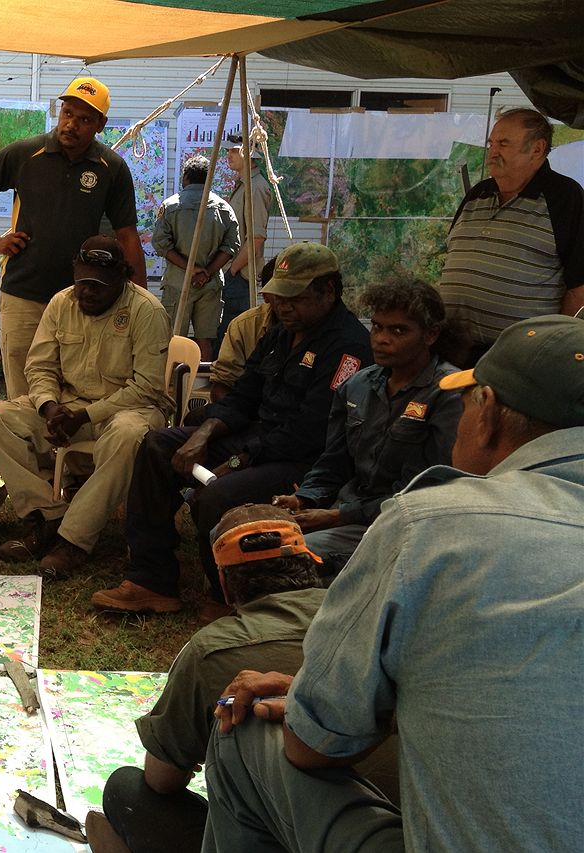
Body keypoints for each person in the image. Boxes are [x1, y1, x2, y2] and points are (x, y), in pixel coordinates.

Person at [203, 314, 584, 853]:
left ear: (488, 412)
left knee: (244, 728)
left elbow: (312, 747)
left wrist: (351, 711)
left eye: (467, 401)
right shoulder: (361, 385)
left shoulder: (430, 524)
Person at [93, 242, 370, 620]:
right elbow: (243, 395)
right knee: (158, 445)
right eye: (278, 298)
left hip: (303, 463)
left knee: (216, 494)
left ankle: (226, 593)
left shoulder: (348, 346)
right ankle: (151, 579)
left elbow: (309, 433)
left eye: (295, 299)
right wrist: (204, 433)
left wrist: (238, 461)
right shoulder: (281, 333)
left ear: (329, 292)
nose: (283, 307)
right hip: (258, 440)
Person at [90, 505, 326, 853]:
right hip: (380, 830)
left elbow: (161, 780)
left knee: (126, 789)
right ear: (311, 563)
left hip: (283, 834)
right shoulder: (373, 626)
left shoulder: (213, 651)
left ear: (225, 586)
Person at [0, 236, 172, 577]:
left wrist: (85, 415)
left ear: (122, 278)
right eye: (82, 282)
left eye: (99, 285)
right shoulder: (61, 303)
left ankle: (74, 541)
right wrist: (49, 408)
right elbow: (40, 367)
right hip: (70, 406)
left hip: (130, 408)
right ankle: (46, 519)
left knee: (128, 436)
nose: (87, 292)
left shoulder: (147, 311)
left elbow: (146, 387)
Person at [0, 76, 145, 399]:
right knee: (22, 395)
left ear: (101, 124)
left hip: (80, 300)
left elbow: (127, 236)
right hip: (23, 295)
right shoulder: (27, 153)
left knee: (73, 391)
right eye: (67, 113)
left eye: (84, 119)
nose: (71, 124)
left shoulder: (111, 168)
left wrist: (139, 301)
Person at [272, 280, 463, 573]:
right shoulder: (357, 385)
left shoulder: (449, 392)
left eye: (398, 331)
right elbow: (333, 462)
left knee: (279, 556)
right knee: (243, 537)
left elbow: (429, 490)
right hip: (345, 514)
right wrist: (303, 498)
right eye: (377, 327)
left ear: (430, 334)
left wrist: (338, 516)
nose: (381, 339)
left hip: (403, 524)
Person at [438, 107, 584, 365]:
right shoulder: (477, 194)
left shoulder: (565, 198)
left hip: (520, 361)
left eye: (503, 143)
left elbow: (579, 289)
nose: (493, 152)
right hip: (453, 352)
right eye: (491, 143)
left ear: (537, 149)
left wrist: (555, 353)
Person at [155, 155, 240, 361]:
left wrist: (190, 268)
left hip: (178, 284)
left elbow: (161, 244)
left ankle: (174, 379)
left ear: (185, 177)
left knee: (174, 339)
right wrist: (206, 272)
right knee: (205, 340)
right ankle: (202, 379)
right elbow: (232, 246)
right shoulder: (224, 208)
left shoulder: (170, 206)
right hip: (210, 284)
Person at [214, 133, 272, 355]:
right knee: (225, 336)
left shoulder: (256, 187)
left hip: (240, 276)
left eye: (233, 150)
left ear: (249, 154)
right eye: (228, 150)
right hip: (233, 273)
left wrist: (233, 271)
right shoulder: (244, 184)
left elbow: (256, 238)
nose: (228, 155)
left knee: (232, 341)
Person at [207, 258, 277, 404]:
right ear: (266, 296)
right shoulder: (245, 326)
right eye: (280, 296)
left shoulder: (320, 330)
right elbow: (222, 385)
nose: (289, 304)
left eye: (300, 296)